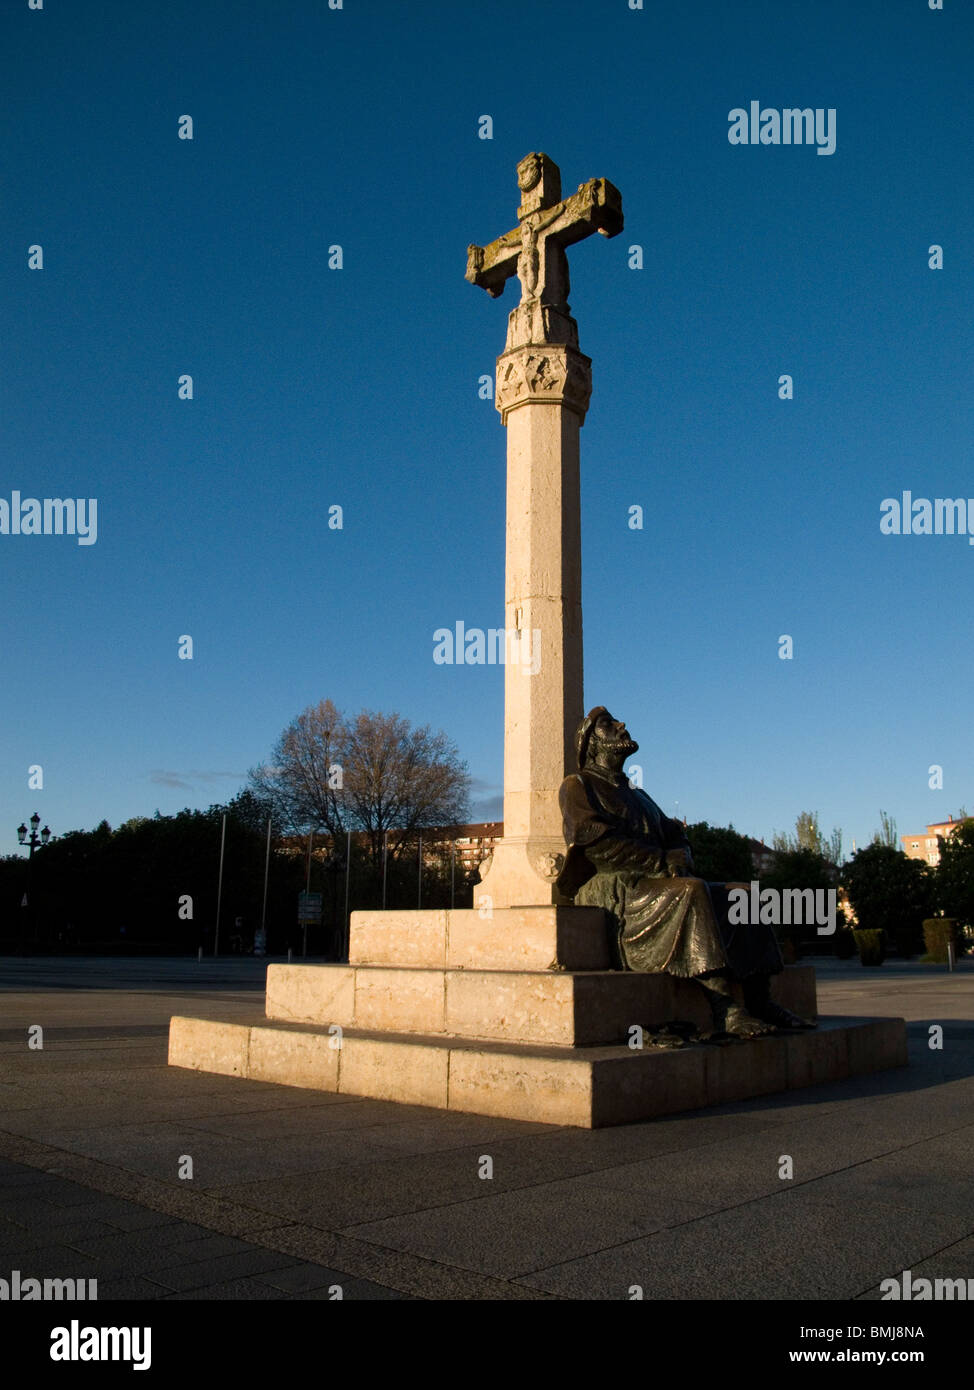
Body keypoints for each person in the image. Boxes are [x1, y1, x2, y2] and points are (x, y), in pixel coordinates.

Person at [556, 707, 814, 1036]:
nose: (621, 726)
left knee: (744, 895)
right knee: (692, 891)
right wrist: (661, 861)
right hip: (616, 886)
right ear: (591, 743)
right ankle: (725, 1011)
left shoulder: (638, 793)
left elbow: (676, 833)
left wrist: (682, 855)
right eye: (607, 725)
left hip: (655, 881)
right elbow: (594, 842)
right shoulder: (578, 785)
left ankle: (760, 1000)